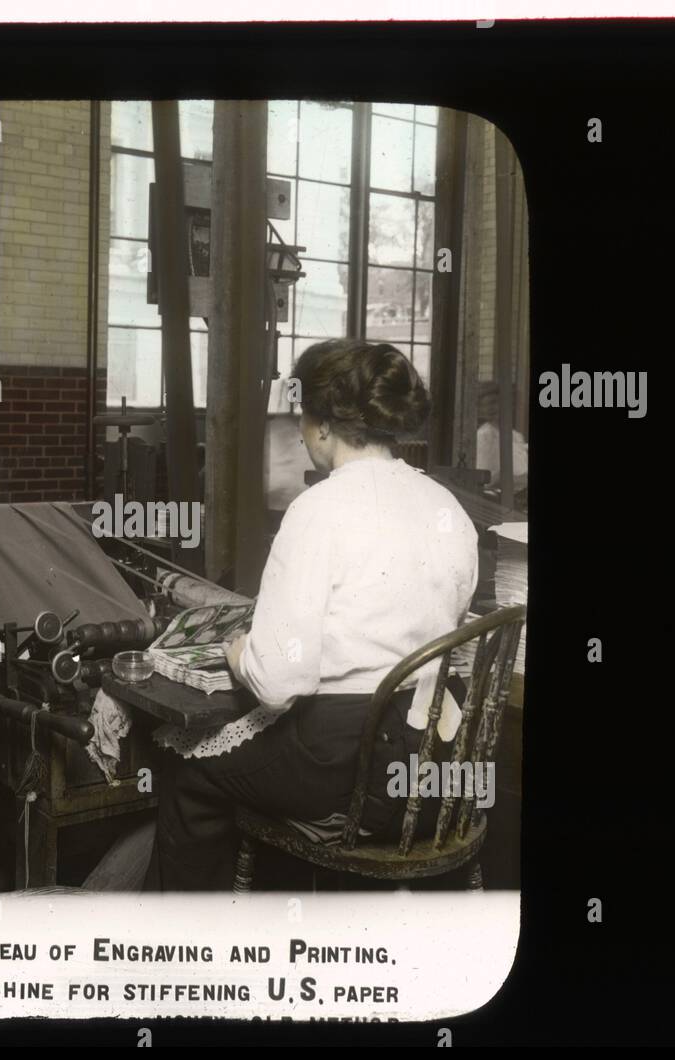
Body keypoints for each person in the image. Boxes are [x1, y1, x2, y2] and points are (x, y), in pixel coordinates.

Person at [145, 340, 479, 891]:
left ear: (323, 426)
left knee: (189, 772)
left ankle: (197, 945)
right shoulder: (447, 506)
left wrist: (238, 652)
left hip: (352, 768)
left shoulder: (318, 511)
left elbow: (279, 683)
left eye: (302, 419)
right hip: (439, 764)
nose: (301, 434)